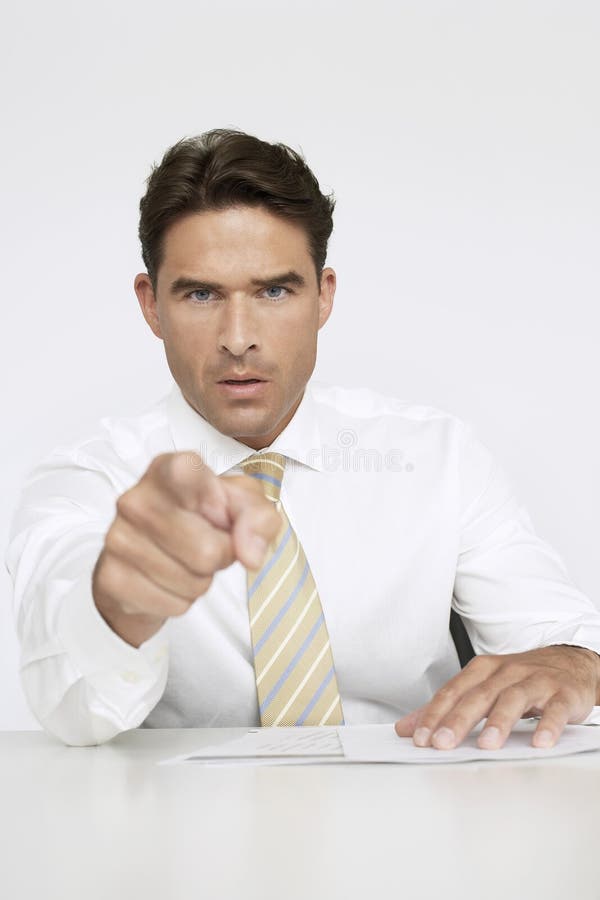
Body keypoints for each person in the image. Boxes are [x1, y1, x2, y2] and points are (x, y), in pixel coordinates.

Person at [6, 128, 600, 749]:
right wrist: (119, 604)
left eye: (274, 290)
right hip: (185, 835)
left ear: (324, 296)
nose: (238, 337)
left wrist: (572, 662)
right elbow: (71, 706)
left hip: (414, 817)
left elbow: (563, 636)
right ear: (152, 305)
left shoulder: (438, 459)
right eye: (201, 294)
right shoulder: (86, 480)